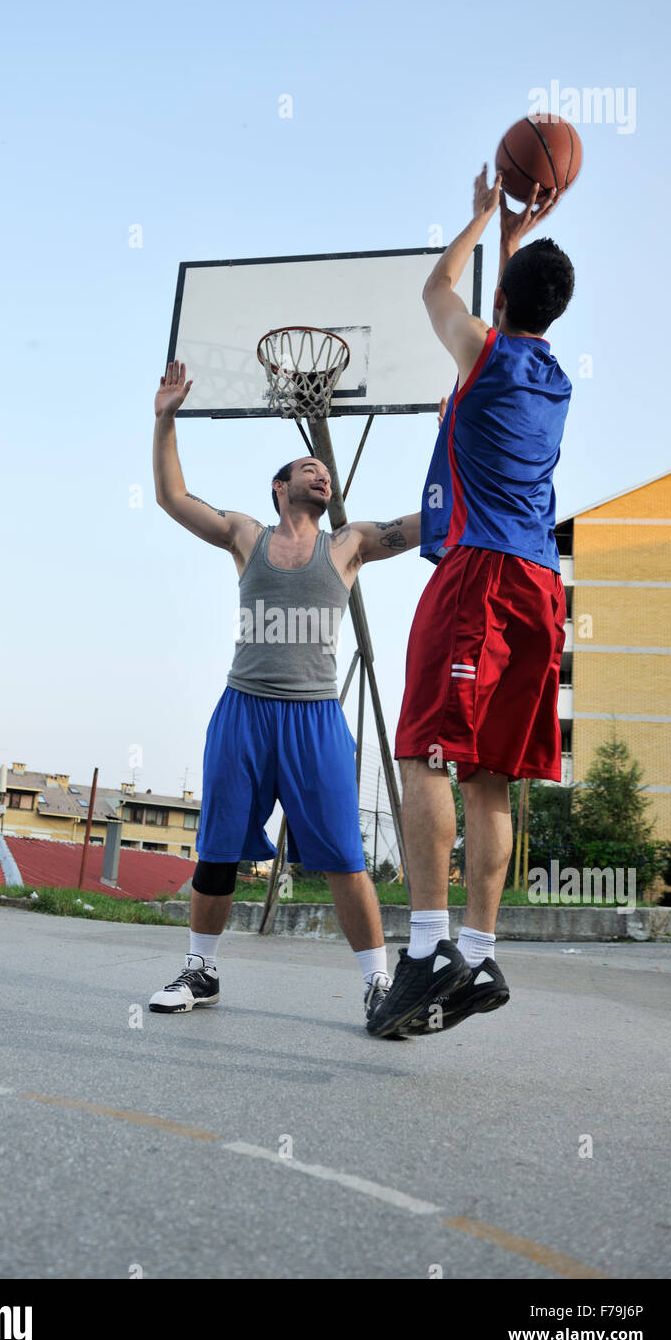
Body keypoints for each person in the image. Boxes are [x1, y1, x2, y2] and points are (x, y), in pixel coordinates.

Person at [150, 360, 419, 1031]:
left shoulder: (350, 543)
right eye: (307, 468)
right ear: (280, 487)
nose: (320, 473)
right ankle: (201, 971)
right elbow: (173, 498)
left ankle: (378, 986)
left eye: (324, 471)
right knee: (218, 850)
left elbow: (422, 524)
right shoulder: (247, 534)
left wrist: (460, 437)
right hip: (243, 710)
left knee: (343, 858)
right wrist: (165, 419)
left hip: (316, 719)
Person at [368, 167, 574, 1038]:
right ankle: (482, 950)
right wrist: (524, 235)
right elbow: (511, 300)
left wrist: (486, 212)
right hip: (540, 587)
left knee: (422, 753)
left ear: (504, 301)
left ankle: (423, 947)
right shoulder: (557, 377)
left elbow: (435, 288)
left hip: (478, 577)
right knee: (491, 776)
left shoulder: (482, 356)